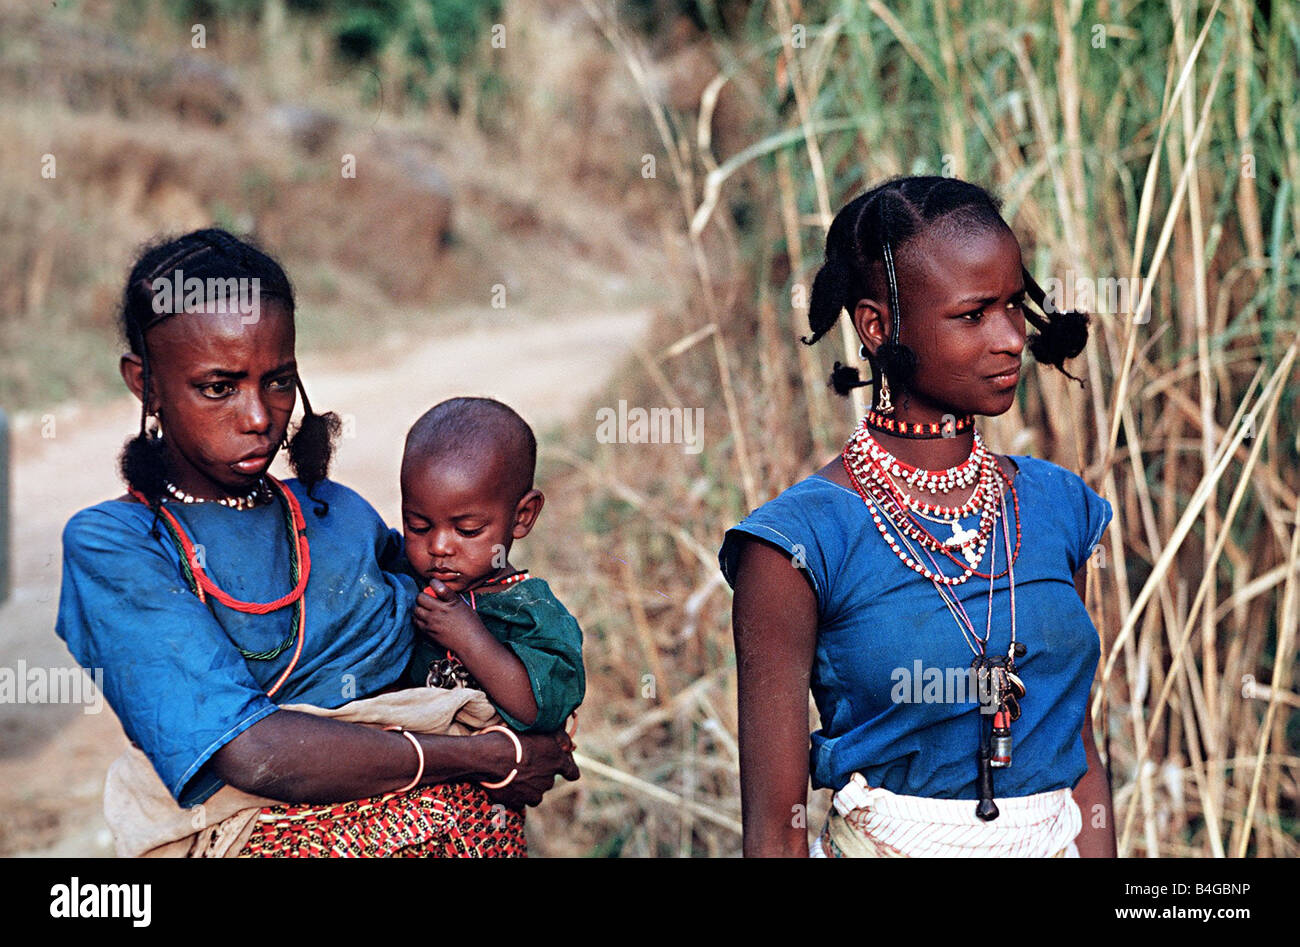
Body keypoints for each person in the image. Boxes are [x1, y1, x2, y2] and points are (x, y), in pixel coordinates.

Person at [56, 228, 578, 857]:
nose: (258, 417)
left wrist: (535, 720)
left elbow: (479, 620)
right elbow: (250, 753)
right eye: (219, 387)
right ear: (146, 384)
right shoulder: (117, 544)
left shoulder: (337, 516)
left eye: (278, 382)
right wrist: (484, 756)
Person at [719, 177, 1116, 858]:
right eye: (974, 315)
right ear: (876, 326)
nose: (1012, 338)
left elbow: (1077, 751)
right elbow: (774, 830)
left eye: (1015, 306)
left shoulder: (1055, 504)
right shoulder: (799, 542)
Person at [400, 397, 585, 736]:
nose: (439, 547)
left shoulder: (532, 612)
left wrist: (468, 638)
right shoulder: (402, 580)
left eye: (467, 530)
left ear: (522, 516)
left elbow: (540, 709)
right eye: (418, 526)